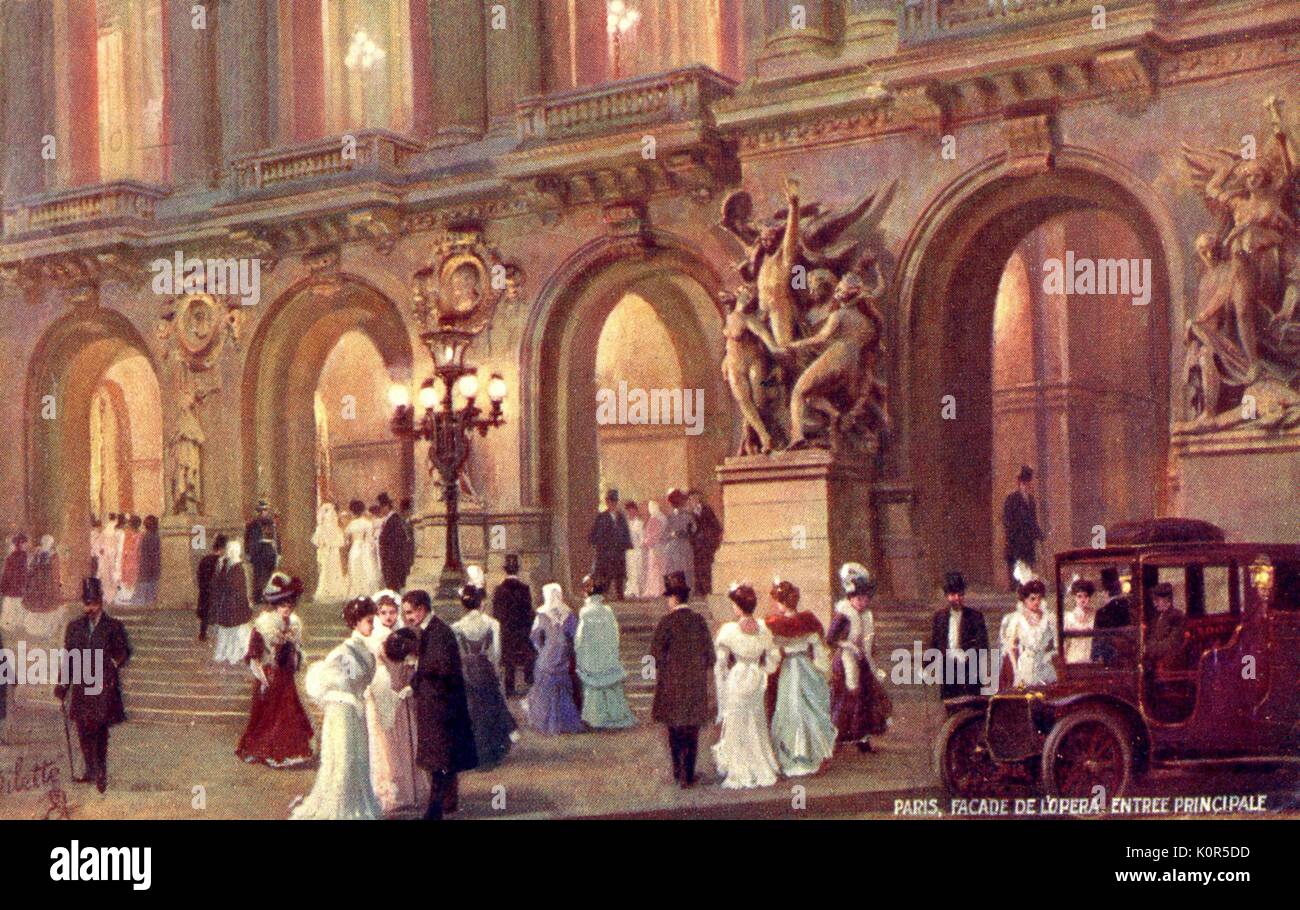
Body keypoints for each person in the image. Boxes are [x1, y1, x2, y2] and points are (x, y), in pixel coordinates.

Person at [291, 597, 382, 820]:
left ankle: (355, 803)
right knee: (343, 758)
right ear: (356, 623)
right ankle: (340, 808)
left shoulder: (365, 650)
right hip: (342, 712)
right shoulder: (345, 651)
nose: (372, 625)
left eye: (373, 621)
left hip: (355, 711)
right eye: (369, 621)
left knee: (358, 758)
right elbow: (346, 681)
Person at [400, 589, 478, 820]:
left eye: (409, 613)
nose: (407, 618)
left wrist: (417, 667)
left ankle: (435, 810)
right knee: (444, 758)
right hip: (439, 704)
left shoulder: (439, 632)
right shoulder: (431, 630)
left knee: (439, 760)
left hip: (441, 706)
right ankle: (448, 802)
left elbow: (441, 669)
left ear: (422, 609)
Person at [55, 578, 131, 793]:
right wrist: (63, 685)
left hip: (103, 689)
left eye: (94, 604)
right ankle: (89, 770)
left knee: (100, 732)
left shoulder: (114, 627)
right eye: (87, 604)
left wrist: (112, 664)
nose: (90, 608)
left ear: (101, 603)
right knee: (83, 731)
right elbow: (69, 658)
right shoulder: (74, 627)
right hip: (81, 688)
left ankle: (101, 772)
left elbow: (124, 652)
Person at [236, 572, 314, 767]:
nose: (286, 610)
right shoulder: (264, 625)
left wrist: (296, 655)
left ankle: (290, 751)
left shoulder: (295, 624)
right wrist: (262, 677)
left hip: (286, 678)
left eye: (289, 606)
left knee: (289, 714)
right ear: (275, 606)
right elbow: (254, 654)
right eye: (282, 606)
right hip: (270, 676)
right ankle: (271, 751)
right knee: (271, 717)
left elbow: (297, 650)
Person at [765, 579, 837, 777]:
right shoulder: (808, 621)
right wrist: (824, 671)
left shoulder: (776, 625)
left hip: (789, 668)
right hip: (806, 667)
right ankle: (810, 755)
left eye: (777, 602)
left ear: (781, 603)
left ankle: (794, 757)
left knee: (791, 709)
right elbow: (819, 649)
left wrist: (768, 669)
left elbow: (774, 654)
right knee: (806, 709)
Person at [712, 582, 781, 789]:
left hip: (738, 676)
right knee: (755, 720)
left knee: (738, 721)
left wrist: (724, 677)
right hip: (756, 678)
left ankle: (739, 765)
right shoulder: (763, 629)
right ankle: (758, 762)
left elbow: (721, 662)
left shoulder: (729, 630)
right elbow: (773, 657)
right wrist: (764, 671)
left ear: (738, 606)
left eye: (734, 604)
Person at [650, 572, 713, 787]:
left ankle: (678, 772)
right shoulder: (699, 621)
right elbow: (710, 656)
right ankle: (688, 773)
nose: (667, 601)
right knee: (692, 732)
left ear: (674, 599)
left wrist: (651, 676)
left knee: (674, 731)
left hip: (671, 687)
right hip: (695, 687)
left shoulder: (666, 622)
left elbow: (654, 655)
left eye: (668, 598)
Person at [827, 562, 892, 753]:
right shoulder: (843, 614)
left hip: (862, 662)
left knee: (865, 700)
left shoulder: (866, 616)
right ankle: (836, 738)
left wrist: (870, 652)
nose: (862, 603)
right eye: (859, 599)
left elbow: (870, 640)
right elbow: (830, 638)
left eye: (865, 599)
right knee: (845, 699)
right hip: (846, 662)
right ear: (851, 597)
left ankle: (863, 739)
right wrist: (848, 645)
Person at [452, 584, 517, 770]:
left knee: (472, 712)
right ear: (480, 602)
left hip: (467, 671)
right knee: (489, 709)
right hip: (485, 668)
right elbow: (496, 653)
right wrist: (496, 671)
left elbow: (457, 654)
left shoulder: (457, 627)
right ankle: (491, 752)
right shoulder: (492, 624)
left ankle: (475, 753)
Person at [574, 575, 637, 730]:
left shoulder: (585, 612)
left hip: (592, 655)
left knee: (594, 682)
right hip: (607, 653)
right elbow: (615, 634)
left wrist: (579, 652)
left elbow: (580, 638)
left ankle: (596, 717)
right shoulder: (608, 611)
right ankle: (614, 715)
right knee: (609, 682)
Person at [379, 626, 429, 817]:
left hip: (408, 705)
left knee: (412, 745)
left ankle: (413, 791)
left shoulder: (414, 655)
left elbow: (418, 678)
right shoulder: (383, 656)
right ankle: (402, 792)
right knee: (395, 749)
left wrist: (410, 687)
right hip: (392, 706)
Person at [363, 590, 404, 813]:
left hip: (396, 685)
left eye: (392, 612)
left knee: (397, 730)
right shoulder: (376, 636)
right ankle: (381, 782)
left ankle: (399, 778)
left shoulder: (399, 633)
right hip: (380, 683)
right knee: (379, 733)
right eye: (384, 613)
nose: (389, 617)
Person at [525, 582, 583, 735]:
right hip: (564, 655)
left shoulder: (541, 614)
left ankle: (546, 720)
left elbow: (534, 637)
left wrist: (541, 649)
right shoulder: (569, 614)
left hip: (547, 655)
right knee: (563, 686)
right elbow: (575, 636)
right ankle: (565, 721)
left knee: (544, 679)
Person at [927, 571, 990, 699]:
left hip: (969, 671)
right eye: (952, 594)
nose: (957, 598)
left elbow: (983, 644)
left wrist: (967, 656)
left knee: (971, 710)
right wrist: (926, 667)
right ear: (946, 596)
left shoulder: (975, 616)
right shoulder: (939, 617)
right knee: (951, 710)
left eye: (960, 594)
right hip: (948, 672)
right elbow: (934, 644)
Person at [491, 554, 535, 697]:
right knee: (529, 654)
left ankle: (509, 689)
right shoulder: (524, 589)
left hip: (506, 630)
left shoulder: (499, 590)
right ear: (517, 570)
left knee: (509, 660)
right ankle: (529, 680)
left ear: (506, 570)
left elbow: (497, 613)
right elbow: (528, 611)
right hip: (522, 630)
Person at [1004, 578, 1058, 688]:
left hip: (1044, 664)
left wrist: (1050, 655)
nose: (1036, 602)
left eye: (1039, 598)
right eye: (1032, 599)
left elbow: (1056, 644)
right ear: (1024, 600)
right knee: (1024, 695)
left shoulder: (1049, 618)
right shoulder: (1017, 619)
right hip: (1025, 666)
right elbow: (1011, 647)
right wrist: (1016, 669)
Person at [209, 538, 253, 666]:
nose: (228, 552)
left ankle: (235, 654)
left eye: (230, 550)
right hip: (228, 605)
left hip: (236, 605)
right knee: (226, 631)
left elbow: (238, 589)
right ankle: (224, 654)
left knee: (237, 632)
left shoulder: (238, 568)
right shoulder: (227, 565)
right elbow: (219, 583)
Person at [1001, 466, 1044, 591]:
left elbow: (1033, 521)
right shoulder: (1012, 499)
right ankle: (1016, 591)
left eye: (1029, 482)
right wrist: (1012, 536)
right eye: (1024, 483)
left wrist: (1039, 534)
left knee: (1028, 569)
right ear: (1020, 483)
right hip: (1016, 541)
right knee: (1017, 569)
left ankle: (1025, 590)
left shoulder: (1031, 500)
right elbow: (1007, 520)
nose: (1027, 485)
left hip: (1028, 542)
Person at [588, 489, 632, 601]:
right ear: (607, 502)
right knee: (605, 573)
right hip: (605, 551)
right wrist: (599, 544)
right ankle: (603, 594)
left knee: (619, 574)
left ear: (616, 503)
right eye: (610, 501)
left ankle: (620, 594)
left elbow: (625, 532)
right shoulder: (602, 517)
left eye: (614, 502)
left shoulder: (621, 517)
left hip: (618, 551)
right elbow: (594, 534)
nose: (612, 504)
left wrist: (626, 545)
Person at [22, 534, 64, 639]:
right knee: (42, 605)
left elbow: (55, 571)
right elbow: (32, 567)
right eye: (46, 542)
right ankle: (39, 630)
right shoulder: (43, 554)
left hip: (44, 584)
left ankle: (44, 630)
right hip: (41, 584)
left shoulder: (49, 554)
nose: (47, 544)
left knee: (45, 605)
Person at [1092, 567, 1133, 665]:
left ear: (1105, 592)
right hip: (1131, 660)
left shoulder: (1102, 613)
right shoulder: (1130, 607)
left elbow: (1097, 644)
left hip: (1111, 662)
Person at [1145, 582, 1189, 672]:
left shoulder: (1177, 616)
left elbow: (1171, 644)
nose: (1154, 604)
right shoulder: (1155, 617)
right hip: (1154, 661)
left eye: (1157, 600)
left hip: (1169, 664)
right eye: (1153, 600)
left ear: (1167, 599)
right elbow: (1150, 638)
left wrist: (1149, 649)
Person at [244, 500, 280, 605]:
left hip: (269, 552)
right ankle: (258, 597)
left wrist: (278, 552)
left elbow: (276, 538)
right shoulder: (252, 524)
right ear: (258, 512)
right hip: (257, 553)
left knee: (268, 575)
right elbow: (247, 539)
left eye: (266, 510)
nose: (264, 512)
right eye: (262, 510)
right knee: (258, 575)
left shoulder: (271, 523)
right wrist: (248, 552)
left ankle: (267, 596)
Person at [687, 490, 723, 597]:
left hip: (707, 545)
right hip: (696, 547)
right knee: (697, 568)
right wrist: (692, 540)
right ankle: (699, 590)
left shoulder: (707, 510)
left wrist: (712, 540)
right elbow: (689, 531)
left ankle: (708, 589)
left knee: (707, 567)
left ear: (698, 499)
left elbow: (716, 527)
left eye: (693, 499)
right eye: (690, 499)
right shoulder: (690, 514)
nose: (692, 501)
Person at [377, 493, 414, 592]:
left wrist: (391, 561)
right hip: (389, 562)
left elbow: (397, 543)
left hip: (393, 562)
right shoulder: (390, 519)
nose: (380, 511)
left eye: (381, 508)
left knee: (394, 589)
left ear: (386, 507)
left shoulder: (394, 520)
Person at [311, 503, 347, 602]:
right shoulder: (335, 529)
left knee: (328, 569)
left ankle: (330, 590)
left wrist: (325, 544)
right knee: (331, 569)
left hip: (329, 551)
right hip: (332, 551)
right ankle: (333, 590)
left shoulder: (322, 528)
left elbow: (318, 542)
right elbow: (341, 542)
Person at [195, 533, 227, 642]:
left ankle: (202, 633)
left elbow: (199, 576)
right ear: (223, 548)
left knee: (205, 614)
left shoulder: (205, 560)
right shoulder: (223, 562)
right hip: (218, 593)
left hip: (206, 591)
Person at [662, 489, 697, 590]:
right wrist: (672, 534)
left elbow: (694, 529)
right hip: (673, 547)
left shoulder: (688, 515)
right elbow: (664, 534)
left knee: (686, 570)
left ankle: (687, 591)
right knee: (673, 571)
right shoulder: (669, 517)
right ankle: (675, 591)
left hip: (684, 546)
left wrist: (686, 533)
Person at [344, 500, 378, 599]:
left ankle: (357, 592)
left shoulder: (351, 525)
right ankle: (366, 592)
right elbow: (370, 540)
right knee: (367, 570)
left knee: (355, 570)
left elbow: (346, 540)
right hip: (365, 548)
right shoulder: (367, 523)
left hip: (354, 549)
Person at [1063, 578, 1098, 664]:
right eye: (1079, 596)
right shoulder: (1068, 618)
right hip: (1073, 660)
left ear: (1089, 597)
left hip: (1090, 661)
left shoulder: (1095, 616)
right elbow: (1065, 644)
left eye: (1085, 596)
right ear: (1074, 597)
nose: (1083, 600)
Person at [0, 534, 29, 633]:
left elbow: (5, 574)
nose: (26, 545)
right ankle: (16, 624)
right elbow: (24, 573)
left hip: (11, 587)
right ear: (20, 544)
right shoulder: (23, 556)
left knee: (11, 605)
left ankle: (9, 625)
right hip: (18, 587)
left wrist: (3, 586)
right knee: (17, 605)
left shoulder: (10, 556)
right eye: (24, 543)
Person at [640, 500, 668, 598]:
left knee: (655, 568)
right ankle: (659, 589)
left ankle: (656, 590)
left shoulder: (655, 518)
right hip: (661, 547)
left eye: (650, 507)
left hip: (655, 547)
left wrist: (645, 542)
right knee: (659, 568)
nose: (649, 509)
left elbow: (654, 535)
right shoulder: (663, 517)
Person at [132, 516, 161, 606]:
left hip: (146, 566)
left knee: (144, 589)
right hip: (151, 567)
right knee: (149, 590)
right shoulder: (154, 536)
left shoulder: (146, 536)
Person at [116, 517, 140, 606]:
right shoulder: (138, 535)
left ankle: (127, 598)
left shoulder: (128, 535)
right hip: (132, 561)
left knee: (128, 579)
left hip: (129, 560)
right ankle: (128, 598)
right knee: (130, 579)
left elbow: (123, 549)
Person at [624, 502, 645, 599]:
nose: (631, 513)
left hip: (637, 550)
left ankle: (637, 591)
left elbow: (642, 538)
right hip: (628, 551)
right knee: (629, 570)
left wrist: (638, 545)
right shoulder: (626, 523)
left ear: (636, 511)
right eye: (629, 511)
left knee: (637, 570)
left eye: (633, 511)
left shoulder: (639, 523)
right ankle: (630, 590)